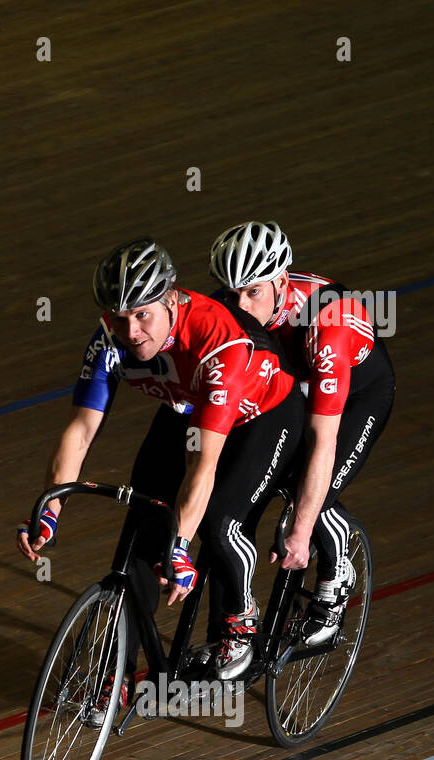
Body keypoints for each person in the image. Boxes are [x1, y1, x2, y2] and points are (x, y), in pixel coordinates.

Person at [16, 237, 303, 697]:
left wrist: (183, 545)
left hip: (262, 416)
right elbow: (81, 430)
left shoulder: (217, 343)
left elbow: (203, 460)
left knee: (217, 521)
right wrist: (49, 509)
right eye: (119, 318)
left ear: (171, 300)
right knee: (143, 533)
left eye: (143, 315)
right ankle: (116, 674)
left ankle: (241, 623)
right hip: (187, 409)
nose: (131, 332)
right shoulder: (110, 339)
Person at [209, 221, 395, 644]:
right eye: (230, 292)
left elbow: (324, 441)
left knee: (310, 490)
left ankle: (334, 575)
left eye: (253, 292)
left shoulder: (327, 324)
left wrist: (301, 529)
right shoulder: (237, 302)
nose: (239, 305)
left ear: (280, 282)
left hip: (355, 399)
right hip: (298, 384)